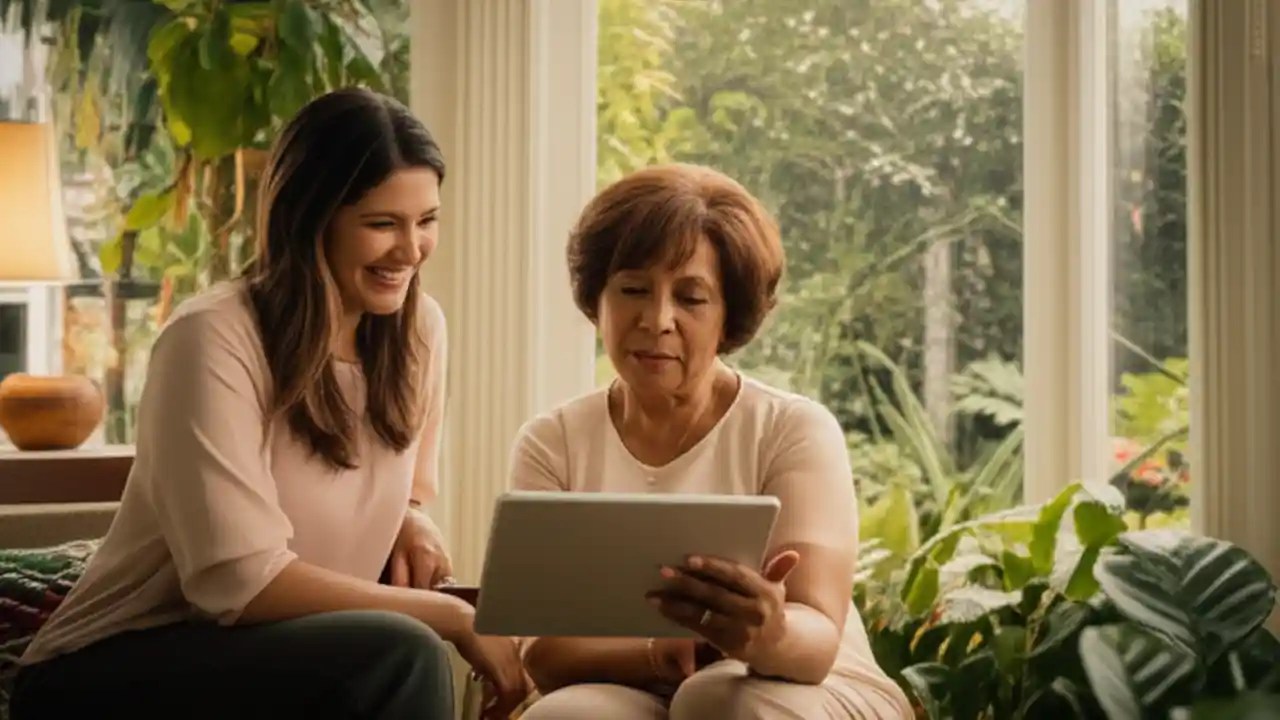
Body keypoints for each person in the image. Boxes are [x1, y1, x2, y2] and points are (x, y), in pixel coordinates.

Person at [9, 87, 526, 720]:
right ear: (312, 217)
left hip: (286, 653)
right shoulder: (213, 338)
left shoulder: (420, 332)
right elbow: (237, 580)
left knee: (394, 649)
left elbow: (402, 488)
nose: (410, 249)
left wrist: (408, 516)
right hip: (115, 667)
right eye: (381, 223)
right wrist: (452, 616)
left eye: (427, 220)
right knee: (403, 651)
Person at [511, 164, 914, 719]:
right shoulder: (552, 442)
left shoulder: (793, 429)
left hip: (805, 682)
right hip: (634, 681)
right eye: (632, 290)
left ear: (729, 316)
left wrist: (765, 631)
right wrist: (665, 651)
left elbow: (818, 640)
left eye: (691, 298)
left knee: (717, 700)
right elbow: (545, 653)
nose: (657, 320)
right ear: (596, 301)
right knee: (562, 716)